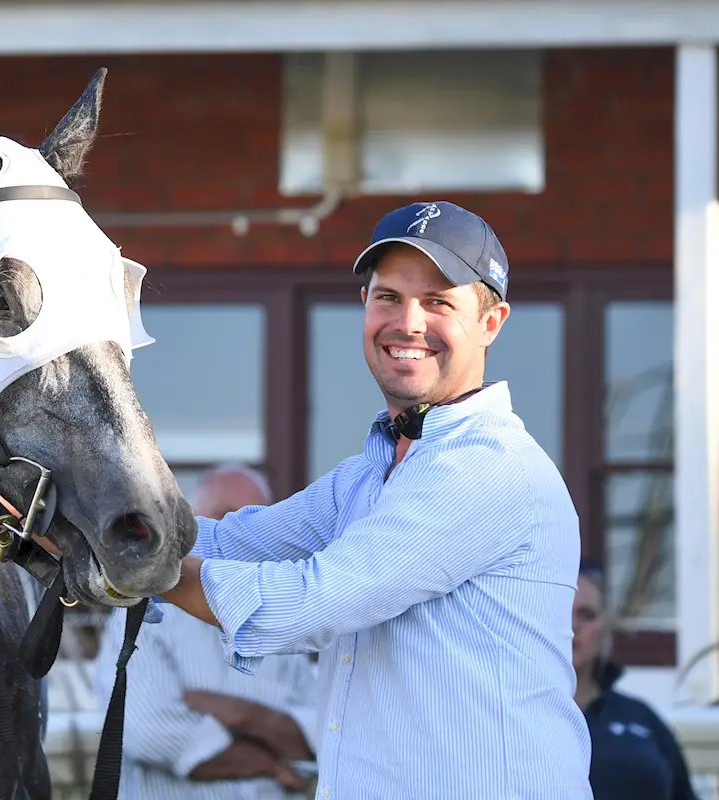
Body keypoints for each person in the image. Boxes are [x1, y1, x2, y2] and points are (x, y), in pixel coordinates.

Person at [153, 201, 593, 798]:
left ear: (492, 322)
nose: (408, 322)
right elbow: (233, 540)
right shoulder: (370, 474)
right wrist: (81, 523)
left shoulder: (492, 469)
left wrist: (140, 567)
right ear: (365, 306)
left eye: (439, 302)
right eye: (388, 296)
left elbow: (310, 603)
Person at [92, 464, 321, 799]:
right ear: (196, 521)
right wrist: (271, 763)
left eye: (259, 518)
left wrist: (238, 714)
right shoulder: (146, 614)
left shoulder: (282, 613)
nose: (244, 531)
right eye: (228, 517)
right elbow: (148, 731)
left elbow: (316, 733)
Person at [574, 560, 698, 800]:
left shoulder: (641, 719)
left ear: (604, 626)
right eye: (562, 612)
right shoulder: (519, 715)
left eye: (586, 615)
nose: (573, 626)